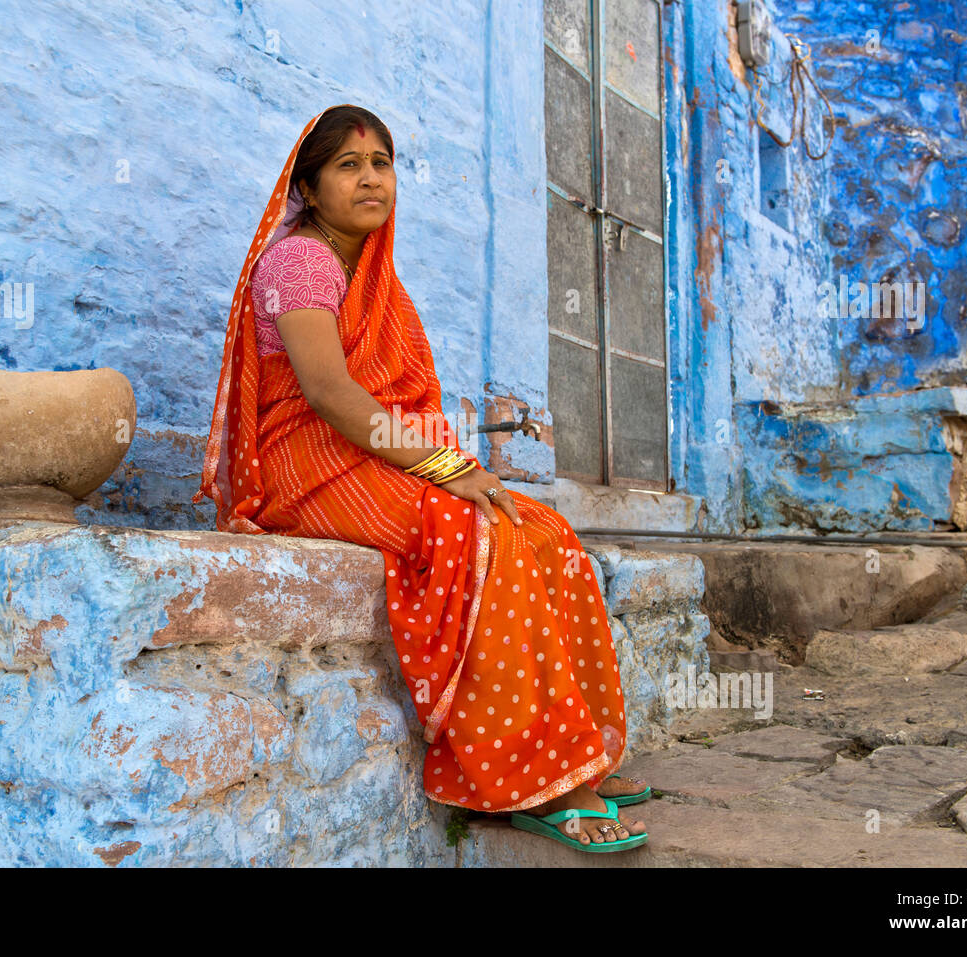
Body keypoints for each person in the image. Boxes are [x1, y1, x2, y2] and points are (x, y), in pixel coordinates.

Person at [193, 104, 650, 851]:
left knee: (546, 532)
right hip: (304, 461)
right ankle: (524, 776)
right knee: (475, 533)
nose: (371, 177)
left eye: (381, 162)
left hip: (363, 452)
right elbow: (330, 394)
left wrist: (448, 464)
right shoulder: (299, 261)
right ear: (309, 188)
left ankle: (580, 750)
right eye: (348, 164)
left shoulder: (372, 273)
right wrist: (445, 468)